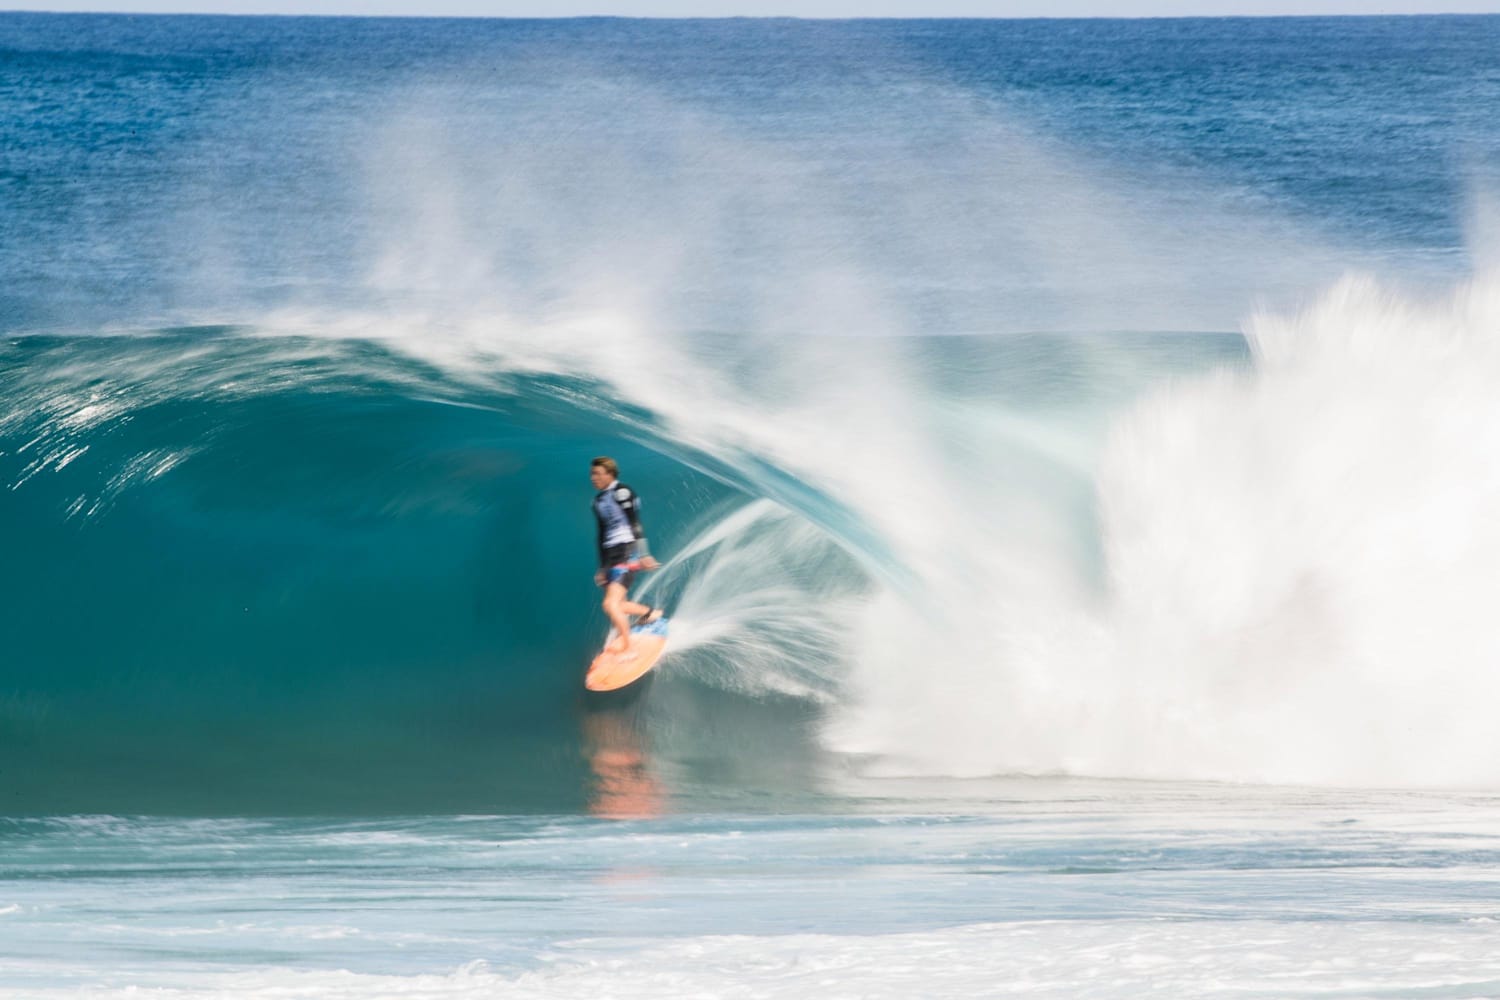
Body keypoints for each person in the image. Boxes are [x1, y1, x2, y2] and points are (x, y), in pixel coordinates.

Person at [590, 456, 663, 657]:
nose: (593, 477)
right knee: (619, 605)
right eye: (592, 474)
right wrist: (603, 567)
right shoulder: (597, 501)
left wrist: (644, 553)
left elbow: (634, 522)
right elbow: (601, 534)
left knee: (609, 604)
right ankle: (651, 613)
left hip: (626, 550)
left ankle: (628, 649)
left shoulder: (622, 492)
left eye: (598, 473)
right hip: (611, 555)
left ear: (610, 474)